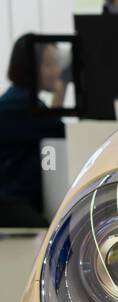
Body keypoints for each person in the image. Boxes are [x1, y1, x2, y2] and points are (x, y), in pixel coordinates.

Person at [0, 34, 67, 227]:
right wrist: (61, 90)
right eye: (49, 64)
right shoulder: (26, 106)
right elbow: (60, 131)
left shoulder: (17, 99)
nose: (56, 71)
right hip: (10, 202)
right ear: (31, 68)